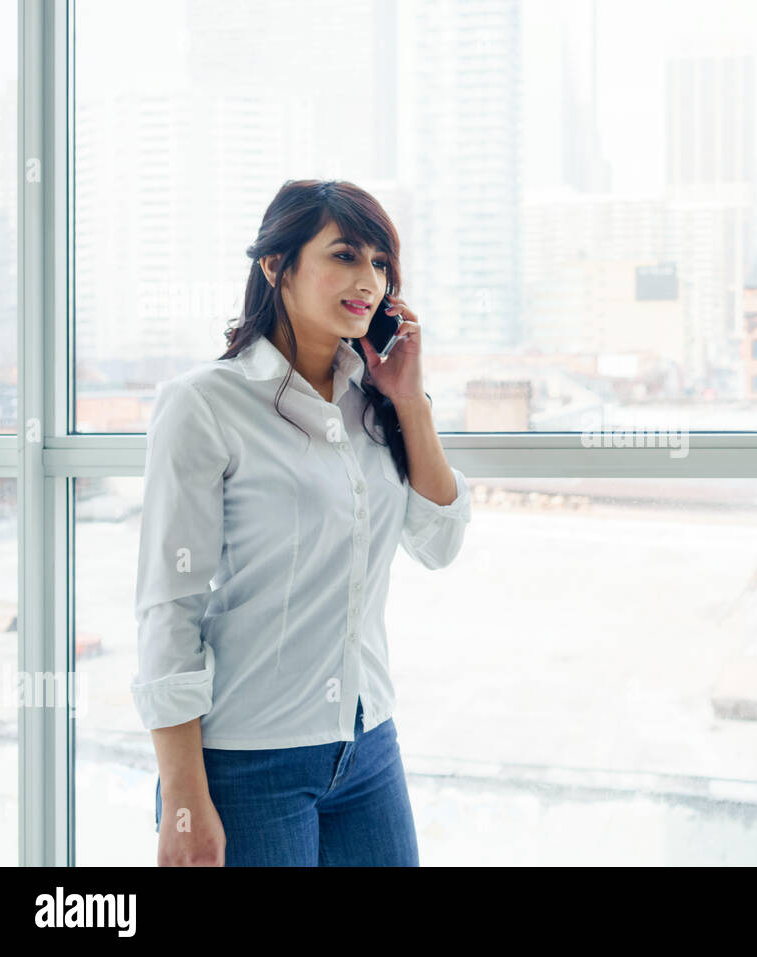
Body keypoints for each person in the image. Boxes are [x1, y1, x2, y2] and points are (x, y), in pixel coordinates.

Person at [130, 179, 471, 866]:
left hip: (369, 747)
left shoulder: (372, 403)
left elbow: (440, 542)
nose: (368, 279)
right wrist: (184, 795)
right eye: (345, 254)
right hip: (249, 762)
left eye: (380, 263)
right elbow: (169, 607)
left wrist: (411, 400)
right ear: (275, 265)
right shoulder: (202, 404)